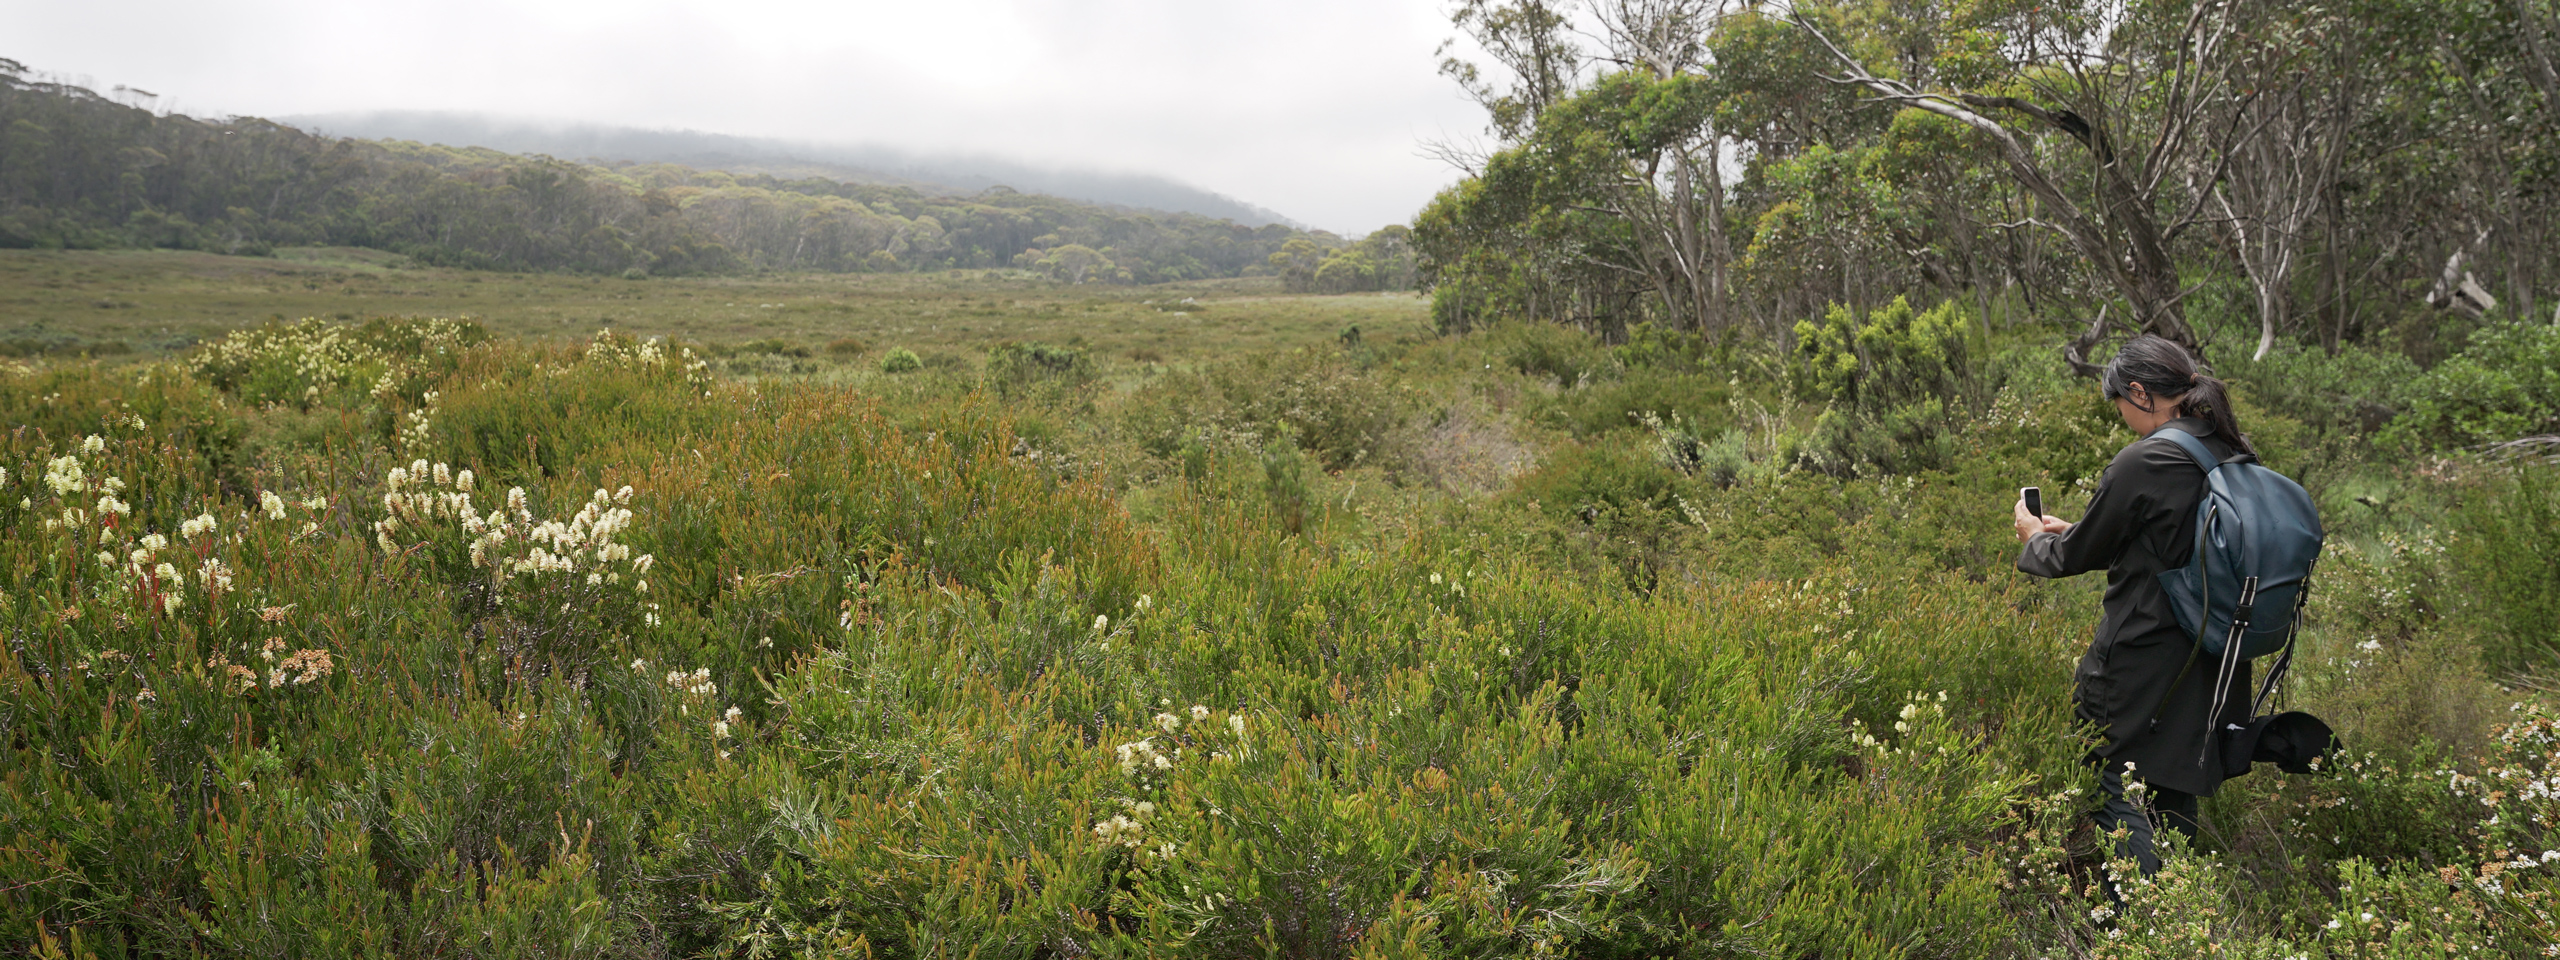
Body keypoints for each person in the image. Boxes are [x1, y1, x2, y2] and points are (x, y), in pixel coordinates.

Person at [2012, 334, 2257, 876]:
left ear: (2141, 393)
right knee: (2173, 782)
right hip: (2212, 656)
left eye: (2120, 403)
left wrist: (2035, 536)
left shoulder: (2146, 459)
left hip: (2139, 656)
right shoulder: (2230, 450)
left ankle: (2148, 922)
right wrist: (2077, 529)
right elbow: (2175, 543)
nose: (2122, 415)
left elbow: (2072, 557)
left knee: (2110, 780)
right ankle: (2181, 920)